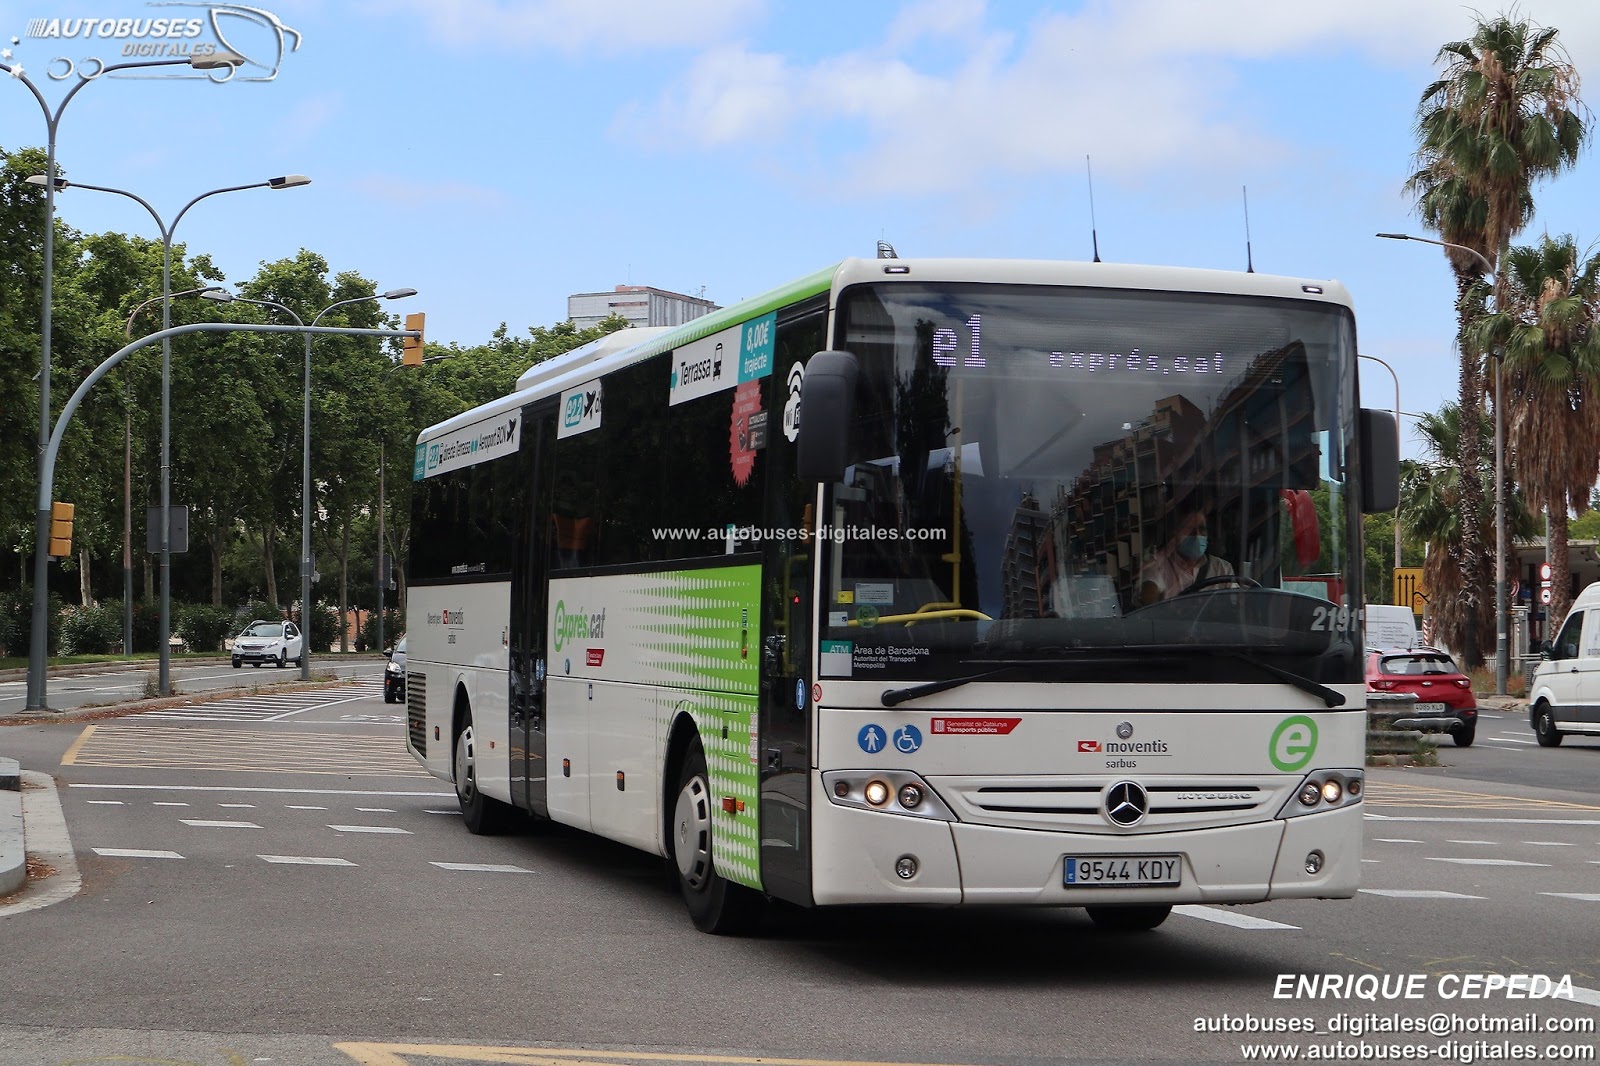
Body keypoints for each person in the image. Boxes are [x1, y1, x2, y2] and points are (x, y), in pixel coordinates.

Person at [1138, 508, 1235, 605]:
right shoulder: (1158, 566)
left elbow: (1236, 602)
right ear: (1174, 534)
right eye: (1189, 529)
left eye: (1202, 529)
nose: (1197, 535)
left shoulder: (1223, 568)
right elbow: (1149, 595)